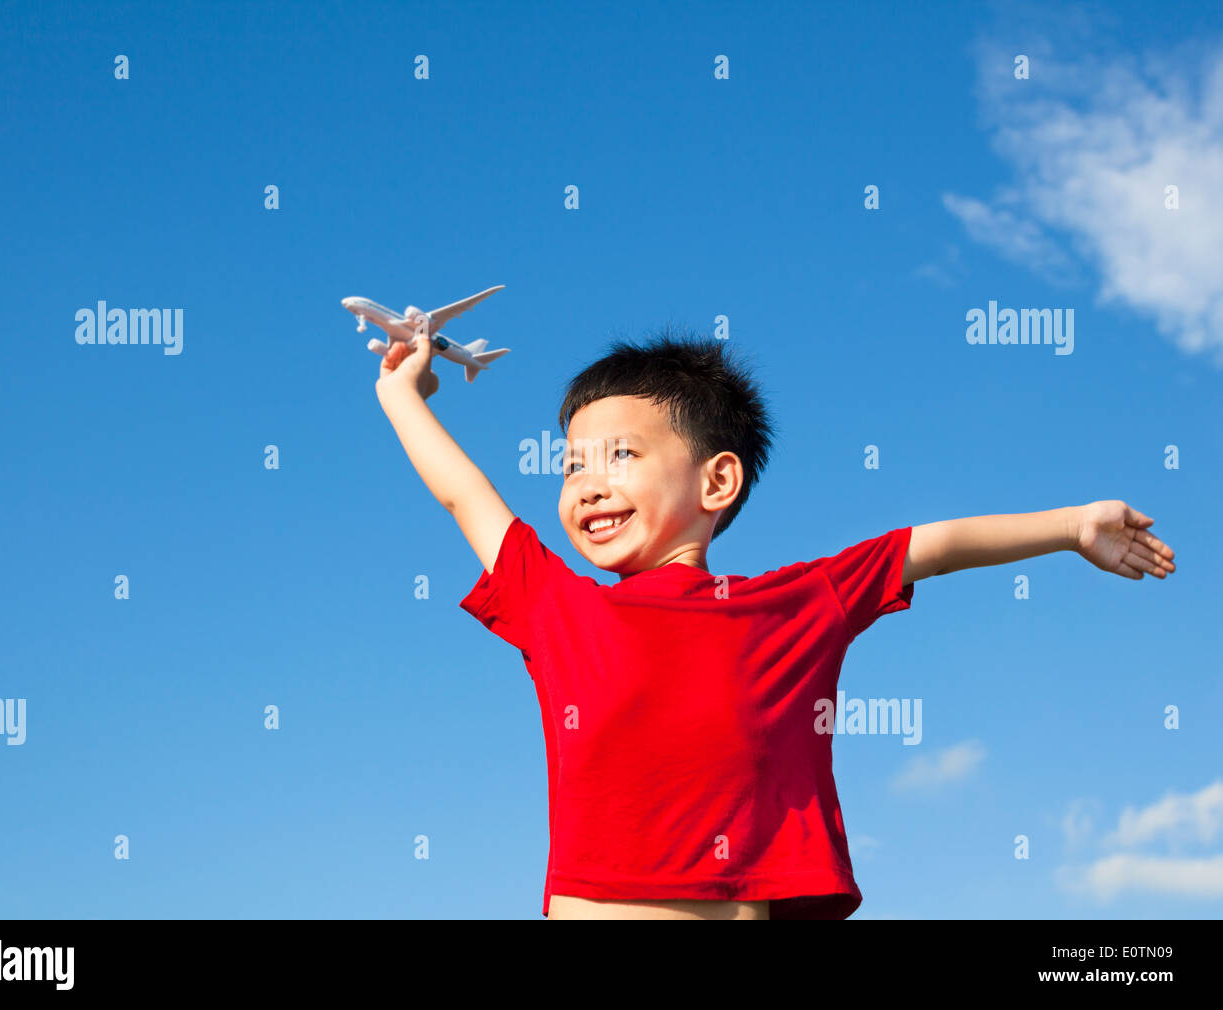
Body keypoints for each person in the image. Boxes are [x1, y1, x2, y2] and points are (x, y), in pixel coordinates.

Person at [374, 324, 1176, 920]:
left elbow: (928, 547)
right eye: (572, 464)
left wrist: (1071, 525)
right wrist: (397, 392)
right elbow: (464, 494)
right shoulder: (560, 608)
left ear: (717, 480)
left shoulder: (790, 607)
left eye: (619, 456)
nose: (585, 484)